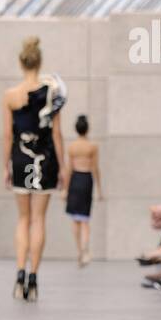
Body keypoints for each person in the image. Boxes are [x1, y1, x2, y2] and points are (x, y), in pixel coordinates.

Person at [3, 36, 67, 301]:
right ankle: (33, 278)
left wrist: (5, 164)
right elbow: (57, 134)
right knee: (39, 219)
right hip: (45, 158)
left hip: (20, 156)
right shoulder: (51, 93)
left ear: (21, 63)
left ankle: (19, 274)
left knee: (23, 219)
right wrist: (63, 168)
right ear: (39, 63)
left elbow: (8, 134)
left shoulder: (10, 95)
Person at [64, 115, 101, 268]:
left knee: (76, 219)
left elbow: (69, 169)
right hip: (86, 180)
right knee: (85, 219)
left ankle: (79, 249)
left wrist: (65, 190)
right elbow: (95, 168)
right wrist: (99, 189)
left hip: (75, 180)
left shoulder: (72, 147)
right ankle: (84, 249)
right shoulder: (92, 146)